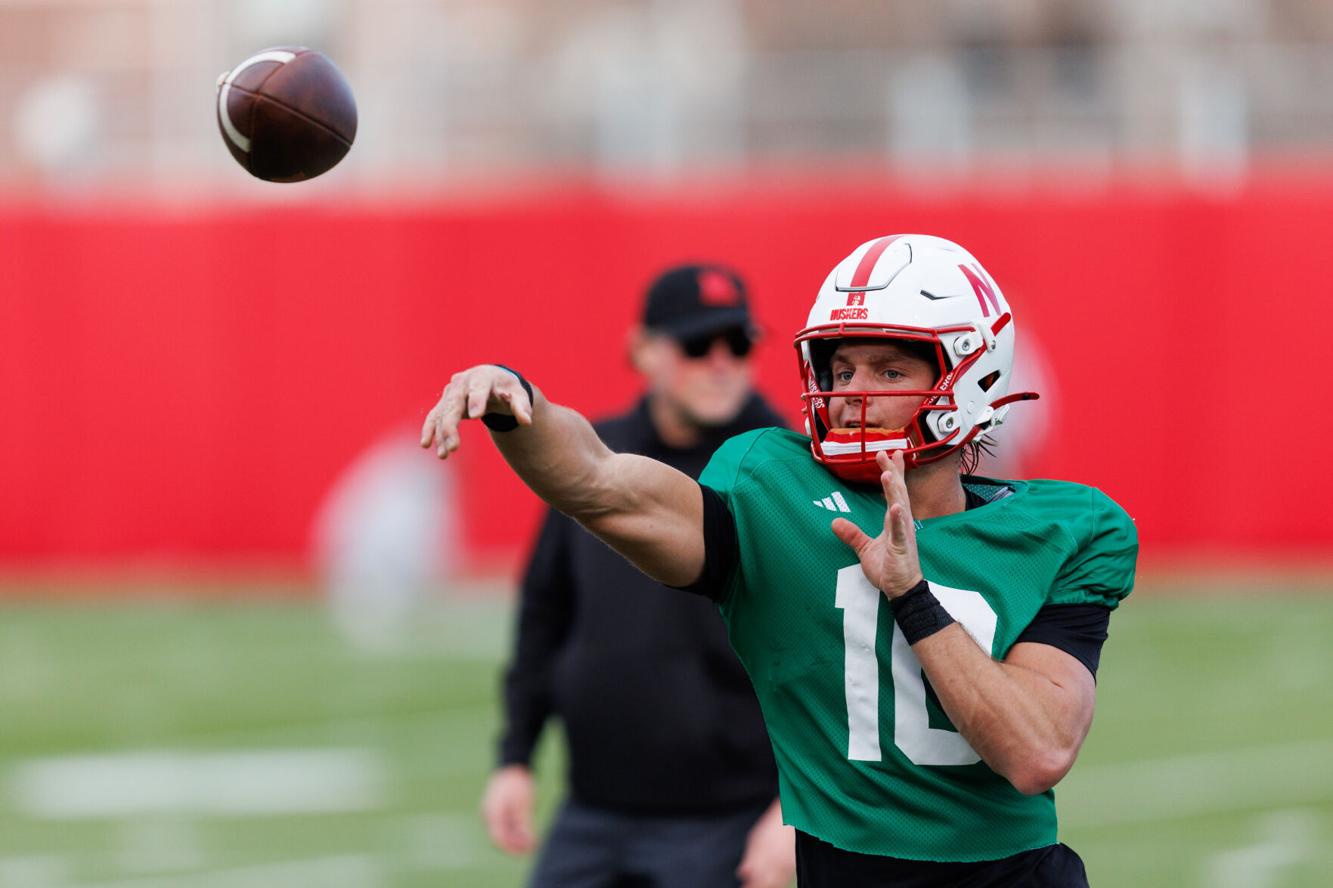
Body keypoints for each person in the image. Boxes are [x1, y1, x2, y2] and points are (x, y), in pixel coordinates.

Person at [424, 235, 1138, 887]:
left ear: (973, 375)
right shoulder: (773, 486)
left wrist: (911, 593)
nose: (854, 392)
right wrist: (516, 406)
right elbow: (601, 484)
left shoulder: (1066, 528)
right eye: (842, 367)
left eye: (890, 370)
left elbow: (1037, 752)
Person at [480, 264, 797, 888]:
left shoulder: (788, 471)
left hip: (727, 823)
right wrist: (515, 758)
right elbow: (544, 616)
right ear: (644, 349)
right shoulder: (595, 460)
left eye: (736, 343)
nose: (720, 362)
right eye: (697, 344)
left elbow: (840, 663)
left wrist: (793, 810)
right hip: (592, 812)